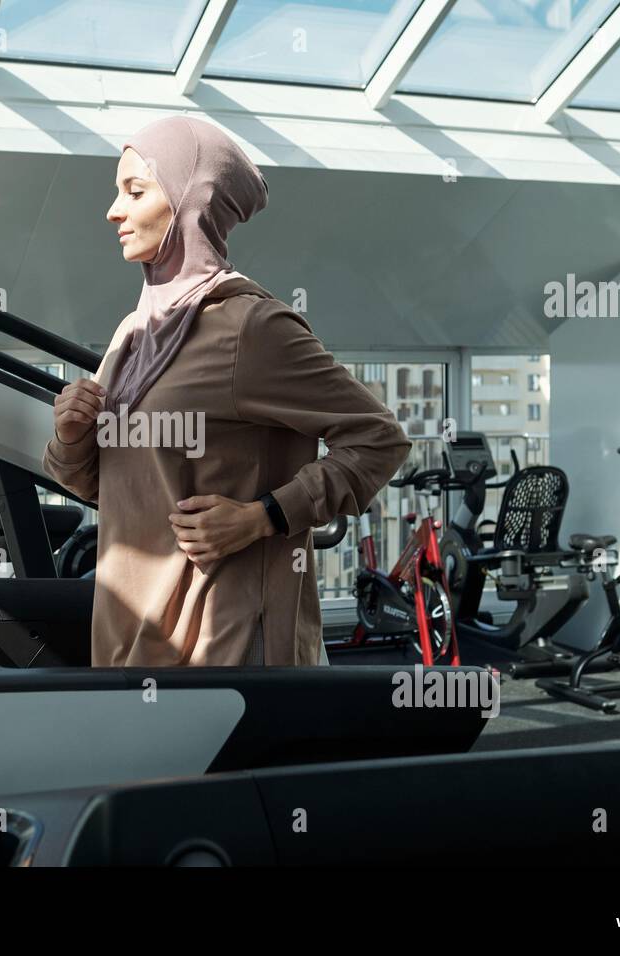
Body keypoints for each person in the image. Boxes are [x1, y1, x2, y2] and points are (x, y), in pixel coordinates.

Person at [42, 116, 411, 667]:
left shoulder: (250, 328)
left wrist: (265, 515)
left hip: (222, 645)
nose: (113, 211)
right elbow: (109, 489)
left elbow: (380, 440)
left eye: (134, 191)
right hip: (129, 634)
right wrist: (72, 438)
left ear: (190, 200)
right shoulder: (133, 333)